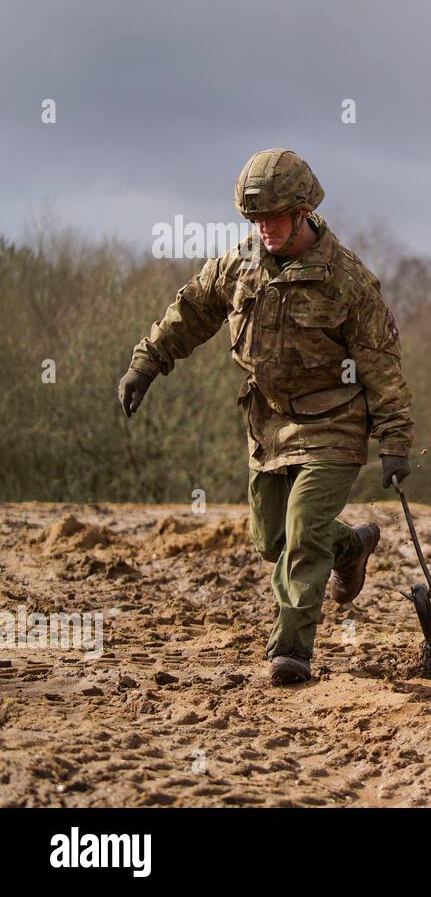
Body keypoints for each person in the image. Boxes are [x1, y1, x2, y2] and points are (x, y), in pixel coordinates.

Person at [117, 149, 414, 686]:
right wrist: (147, 362)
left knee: (302, 534)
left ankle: (292, 649)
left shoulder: (348, 281)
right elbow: (193, 309)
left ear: (303, 212)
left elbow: (382, 365)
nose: (265, 229)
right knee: (271, 541)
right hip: (268, 424)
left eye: (275, 218)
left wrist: (394, 440)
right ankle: (352, 545)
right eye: (256, 219)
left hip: (334, 424)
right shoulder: (241, 262)